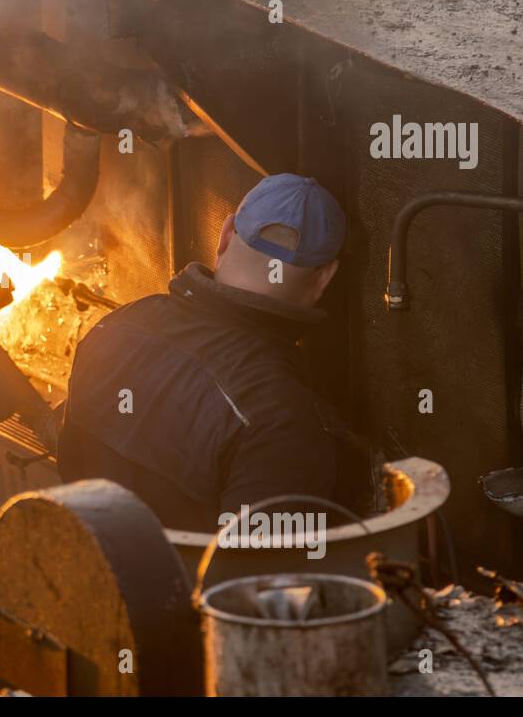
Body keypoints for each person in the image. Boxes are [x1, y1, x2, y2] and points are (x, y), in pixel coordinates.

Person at [57, 173, 351, 532]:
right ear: (324, 278)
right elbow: (257, 578)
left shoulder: (114, 326)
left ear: (226, 235)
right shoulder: (285, 418)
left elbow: (69, 473)